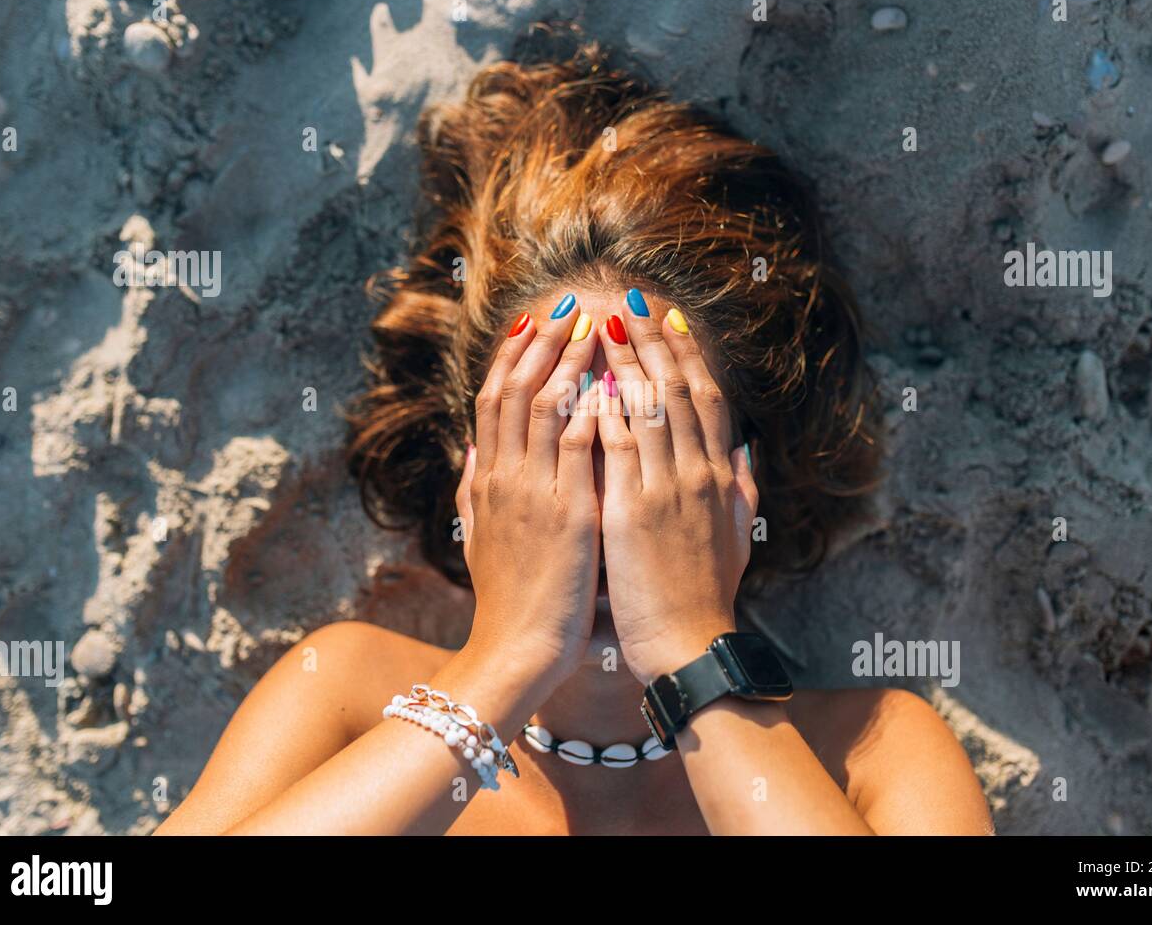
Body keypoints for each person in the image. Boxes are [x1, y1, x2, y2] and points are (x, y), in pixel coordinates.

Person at [154, 41, 992, 836]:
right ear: (471, 472)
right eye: (549, 443)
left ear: (742, 480)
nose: (598, 514)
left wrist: (693, 654)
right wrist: (503, 664)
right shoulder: (340, 693)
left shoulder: (869, 754)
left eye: (647, 441)